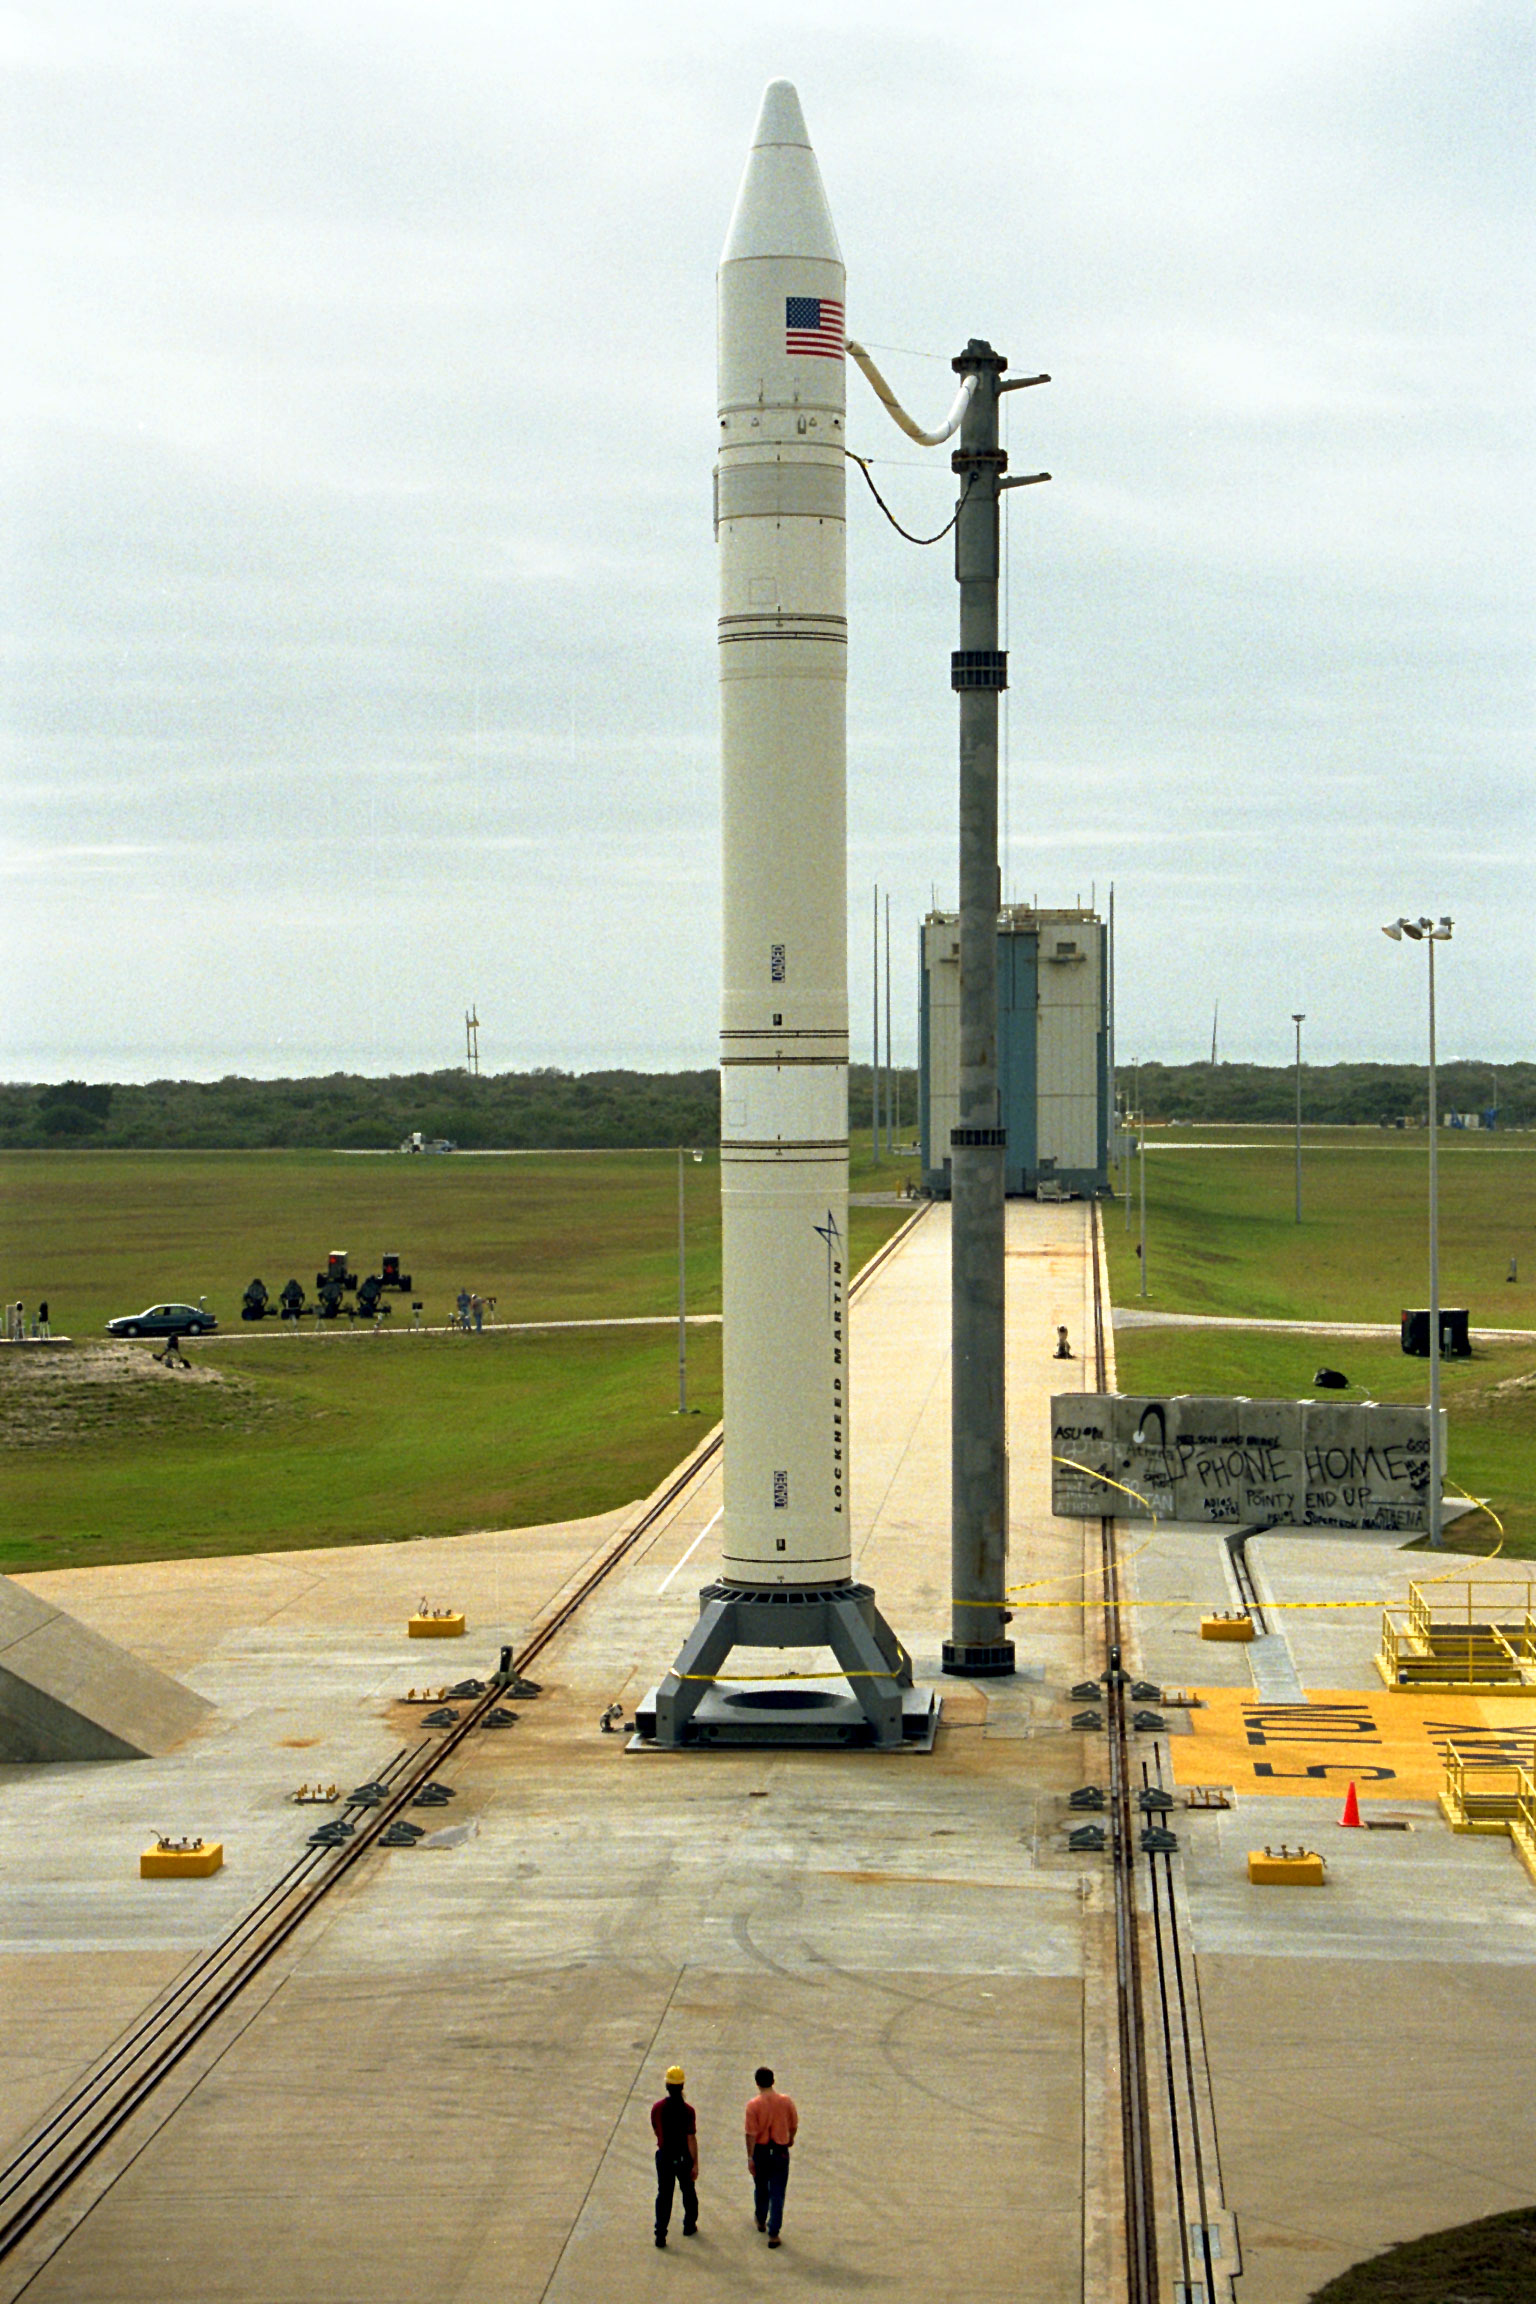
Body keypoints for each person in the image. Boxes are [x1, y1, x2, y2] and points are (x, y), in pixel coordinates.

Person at [745, 2064, 797, 2247]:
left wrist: (750, 2157)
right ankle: (774, 2233)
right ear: (773, 2081)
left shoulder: (753, 2106)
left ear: (757, 2083)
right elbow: (793, 2125)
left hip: (761, 2151)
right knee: (777, 2193)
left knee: (761, 2187)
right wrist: (790, 2139)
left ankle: (760, 2218)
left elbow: (751, 2134)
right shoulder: (786, 2101)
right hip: (780, 2152)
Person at [650, 2064, 699, 2248]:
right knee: (688, 2190)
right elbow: (691, 2138)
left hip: (664, 2157)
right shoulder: (688, 2111)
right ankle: (689, 2224)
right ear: (682, 2086)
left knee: (664, 2195)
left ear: (667, 2086)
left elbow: (656, 2130)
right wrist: (695, 2163)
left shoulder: (658, 2108)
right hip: (683, 2157)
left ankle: (660, 2234)